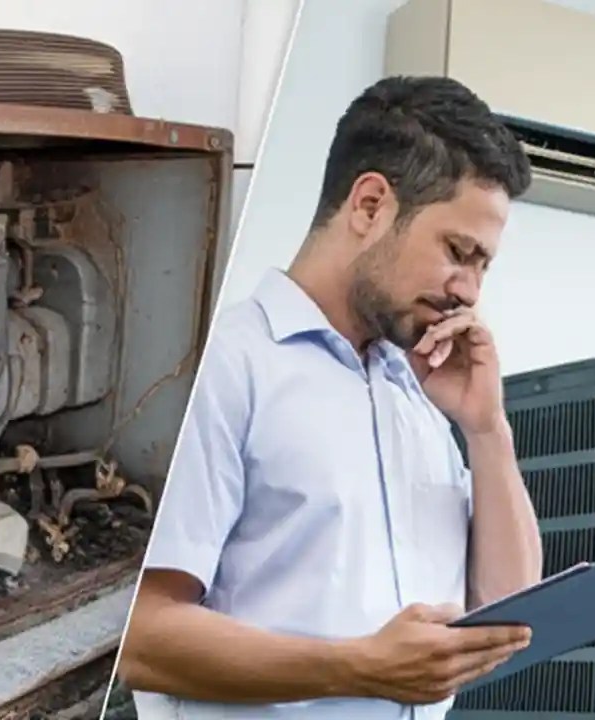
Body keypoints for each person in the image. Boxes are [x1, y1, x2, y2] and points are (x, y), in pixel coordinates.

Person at [116, 75, 544, 719]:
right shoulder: (228, 362)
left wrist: (487, 431)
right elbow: (139, 638)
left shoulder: (419, 392)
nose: (469, 290)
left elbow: (505, 614)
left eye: (484, 265)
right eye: (459, 252)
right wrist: (359, 668)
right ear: (370, 205)